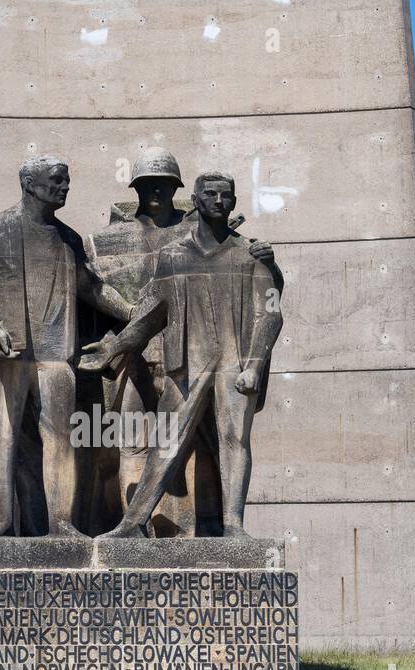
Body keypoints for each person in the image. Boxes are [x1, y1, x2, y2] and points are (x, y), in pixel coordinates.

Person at [81, 171, 283, 538]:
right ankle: (132, 522)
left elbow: (270, 313)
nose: (219, 201)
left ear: (234, 202)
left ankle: (234, 526)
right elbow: (151, 313)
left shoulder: (249, 254)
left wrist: (254, 365)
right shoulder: (173, 257)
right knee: (166, 442)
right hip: (186, 367)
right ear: (196, 199)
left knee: (234, 441)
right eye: (210, 195)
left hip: (235, 368)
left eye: (226, 196)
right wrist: (117, 346)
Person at [0, 155, 134, 537]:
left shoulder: (68, 239)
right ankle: (2, 523)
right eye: (57, 180)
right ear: (29, 183)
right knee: (2, 433)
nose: (65, 187)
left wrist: (132, 311)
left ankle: (61, 524)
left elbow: (92, 288)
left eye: (67, 180)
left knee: (61, 437)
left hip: (55, 356)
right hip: (5, 354)